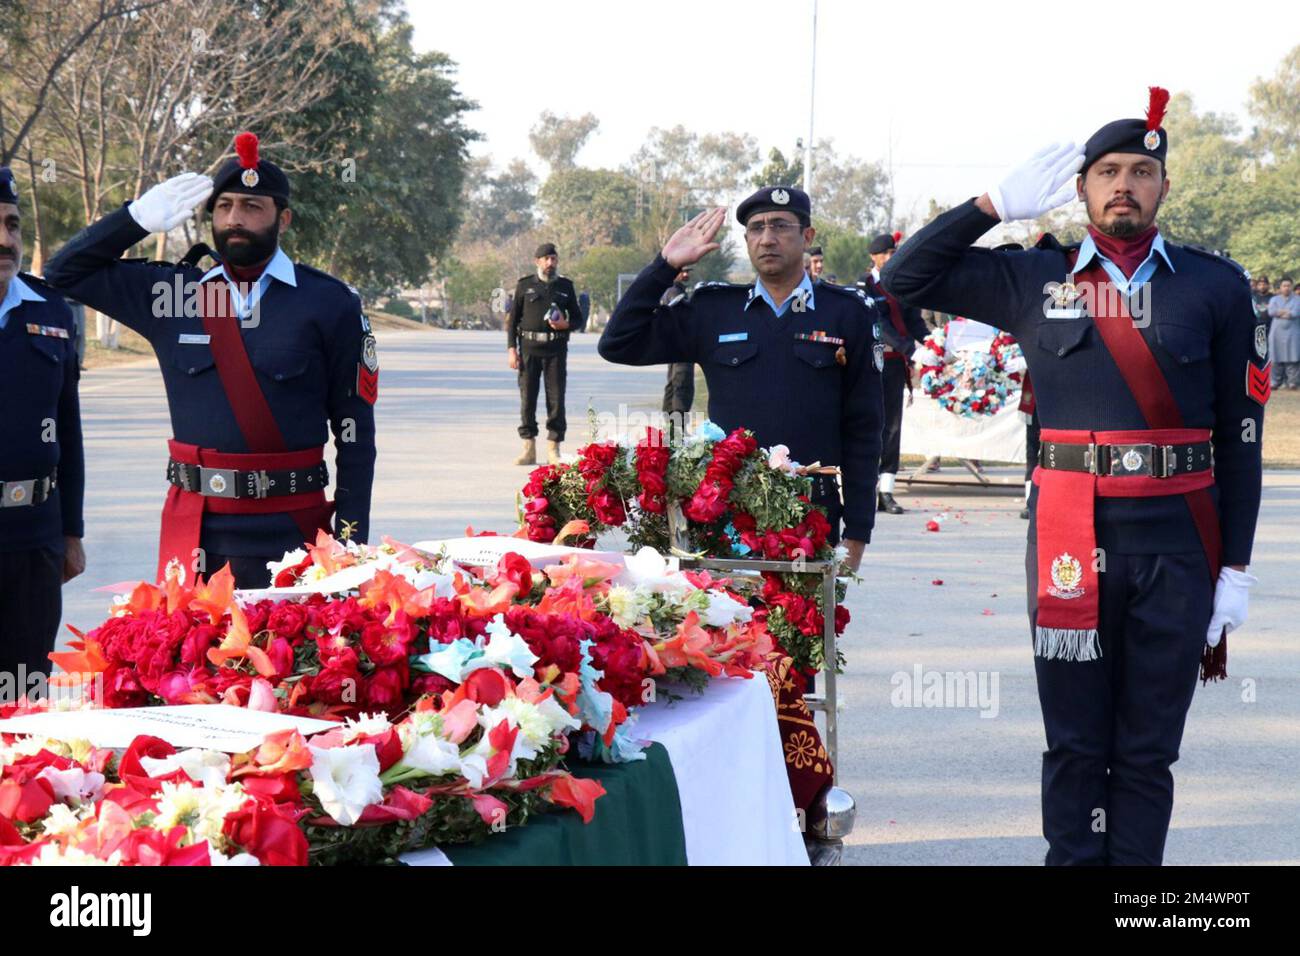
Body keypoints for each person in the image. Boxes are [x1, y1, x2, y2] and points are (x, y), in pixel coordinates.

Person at [881, 88, 1265, 866]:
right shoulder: (1030, 278)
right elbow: (909, 279)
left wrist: (1237, 565)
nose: (1123, 184)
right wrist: (993, 205)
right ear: (1080, 188)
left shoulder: (1214, 285)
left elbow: (1241, 434)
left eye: (1140, 171)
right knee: (1075, 743)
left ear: (1163, 186)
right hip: (1070, 539)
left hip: (1180, 543)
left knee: (1150, 750)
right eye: (1105, 171)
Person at [44, 132, 376, 589]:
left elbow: (355, 437)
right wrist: (135, 218)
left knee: (292, 661)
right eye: (224, 206)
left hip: (295, 531)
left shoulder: (328, 302)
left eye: (252, 207)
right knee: (190, 660)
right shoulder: (172, 295)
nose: (235, 219)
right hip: (196, 531)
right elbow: (64, 272)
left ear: (284, 219)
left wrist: (349, 546)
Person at [598, 186, 884, 574]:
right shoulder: (714, 310)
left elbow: (864, 429)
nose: (767, 238)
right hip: (724, 515)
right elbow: (618, 343)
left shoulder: (846, 313)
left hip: (809, 516)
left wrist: (858, 533)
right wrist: (664, 266)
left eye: (781, 226)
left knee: (808, 632)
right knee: (725, 631)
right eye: (756, 228)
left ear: (808, 236)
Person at [0, 167, 86, 685]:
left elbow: (68, 431)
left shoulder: (51, 313)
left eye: (12, 224)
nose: (4, 239)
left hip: (35, 540)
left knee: (26, 693)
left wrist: (71, 532)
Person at [858, 231, 928, 514]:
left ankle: (886, 491)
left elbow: (913, 320)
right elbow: (880, 323)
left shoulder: (901, 285)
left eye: (893, 252)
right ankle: (865, 488)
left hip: (895, 364)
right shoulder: (864, 287)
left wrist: (932, 342)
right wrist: (910, 349)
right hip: (870, 364)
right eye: (884, 254)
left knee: (893, 426)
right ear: (873, 257)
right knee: (869, 425)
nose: (890, 258)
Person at [506, 242, 585, 465]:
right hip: (529, 350)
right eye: (546, 259)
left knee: (556, 399)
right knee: (527, 399)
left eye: (554, 259)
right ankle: (528, 448)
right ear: (537, 261)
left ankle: (554, 447)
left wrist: (565, 325)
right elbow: (512, 322)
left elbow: (578, 318)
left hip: (556, 351)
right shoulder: (524, 286)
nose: (551, 263)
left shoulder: (565, 286)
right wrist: (512, 350)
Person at [660, 267, 695, 427]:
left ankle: (671, 426)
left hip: (675, 346)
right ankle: (677, 427)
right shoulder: (675, 292)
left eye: (688, 271)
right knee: (682, 384)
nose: (686, 275)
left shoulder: (672, 290)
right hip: (682, 347)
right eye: (682, 271)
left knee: (674, 383)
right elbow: (683, 319)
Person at [1267, 276, 1299, 389]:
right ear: (1280, 287)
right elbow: (1271, 312)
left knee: (1293, 358)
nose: (1286, 288)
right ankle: (1275, 382)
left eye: (1289, 286)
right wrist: (1287, 312)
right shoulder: (1274, 300)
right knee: (1276, 358)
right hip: (1277, 334)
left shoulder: (1298, 299)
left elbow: (1295, 313)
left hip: (1293, 333)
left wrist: (1280, 312)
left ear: (1291, 287)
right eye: (1284, 286)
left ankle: (1292, 383)